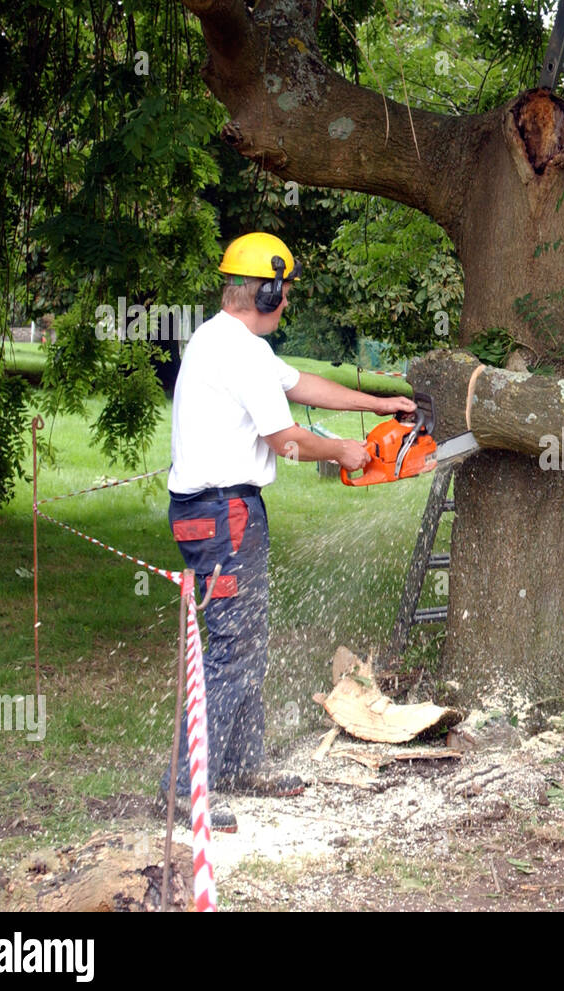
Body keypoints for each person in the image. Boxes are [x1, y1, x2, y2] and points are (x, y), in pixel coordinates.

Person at [160, 232, 414, 833]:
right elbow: (289, 441)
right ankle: (184, 788)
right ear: (268, 289)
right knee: (229, 652)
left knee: (245, 645)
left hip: (222, 509)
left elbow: (298, 384)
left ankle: (240, 765)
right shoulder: (239, 351)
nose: (288, 302)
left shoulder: (222, 338)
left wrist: (377, 406)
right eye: (285, 292)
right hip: (224, 514)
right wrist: (347, 452)